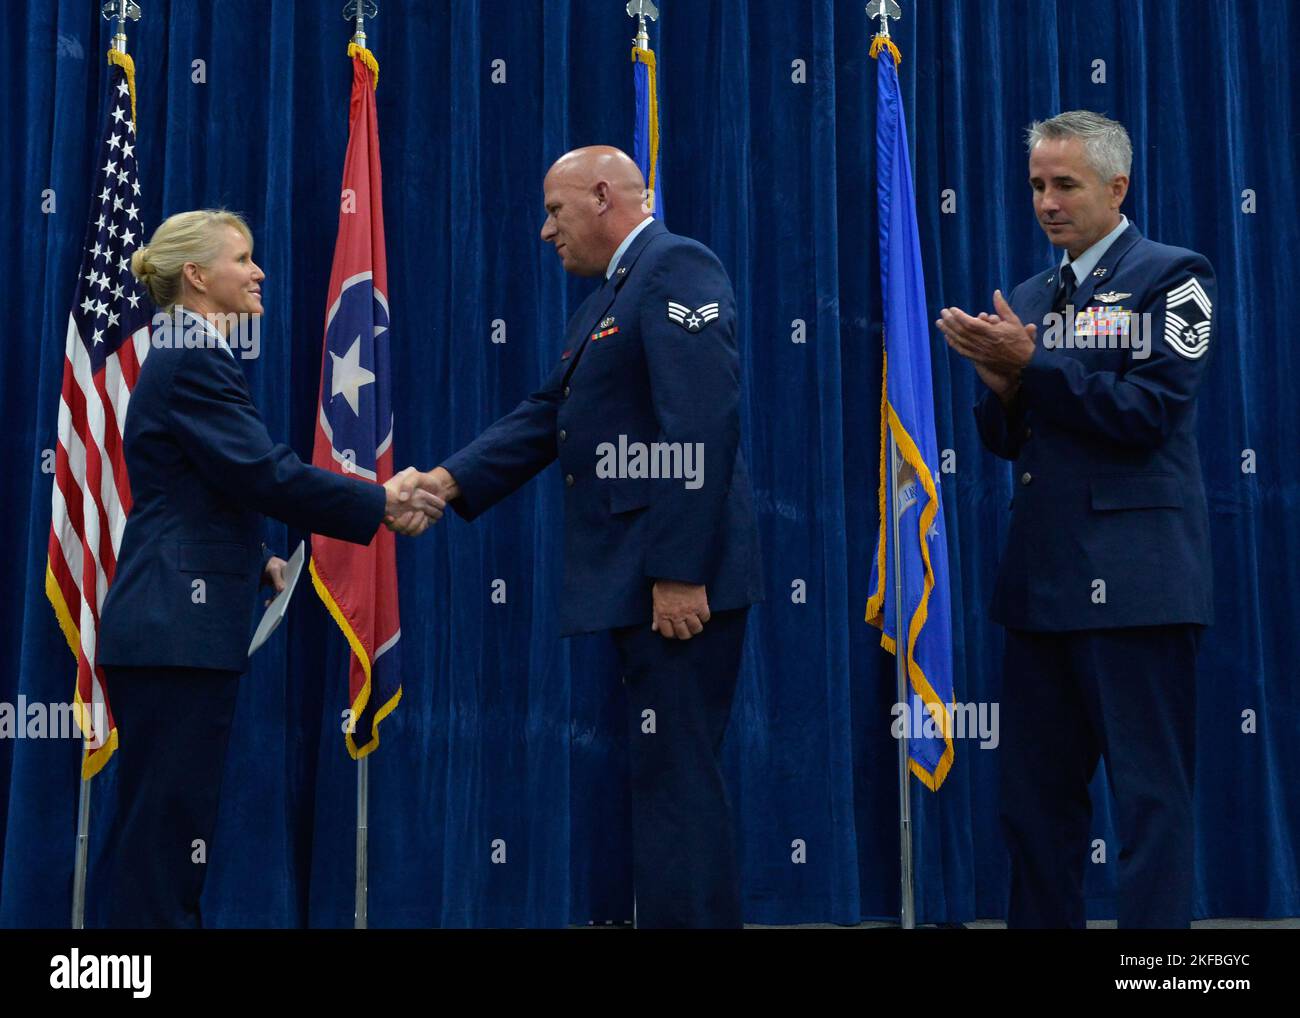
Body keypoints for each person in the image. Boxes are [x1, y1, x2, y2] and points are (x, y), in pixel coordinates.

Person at [393, 147, 763, 927]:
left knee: (677, 782)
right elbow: (546, 414)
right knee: (662, 778)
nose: (543, 230)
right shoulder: (615, 291)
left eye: (555, 211)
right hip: (638, 578)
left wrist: (677, 571)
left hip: (674, 580)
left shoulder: (676, 267)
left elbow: (700, 426)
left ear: (602, 196)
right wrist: (445, 483)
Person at [96, 209, 443, 928]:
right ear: (196, 275)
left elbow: (197, 488)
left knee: (159, 832)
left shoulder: (188, 353)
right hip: (173, 634)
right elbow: (264, 474)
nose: (259, 272)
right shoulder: (193, 358)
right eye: (243, 259)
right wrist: (378, 500)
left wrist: (258, 563)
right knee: (161, 841)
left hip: (173, 629)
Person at [936, 111, 1215, 928]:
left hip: (1136, 585)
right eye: (1035, 186)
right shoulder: (1028, 295)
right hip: (1042, 585)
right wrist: (1003, 390)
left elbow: (1149, 413)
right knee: (1034, 808)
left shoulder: (1173, 275)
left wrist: (1034, 368)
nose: (1046, 203)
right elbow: (1010, 439)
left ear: (1116, 187)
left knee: (1149, 805)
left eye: (1064, 185)